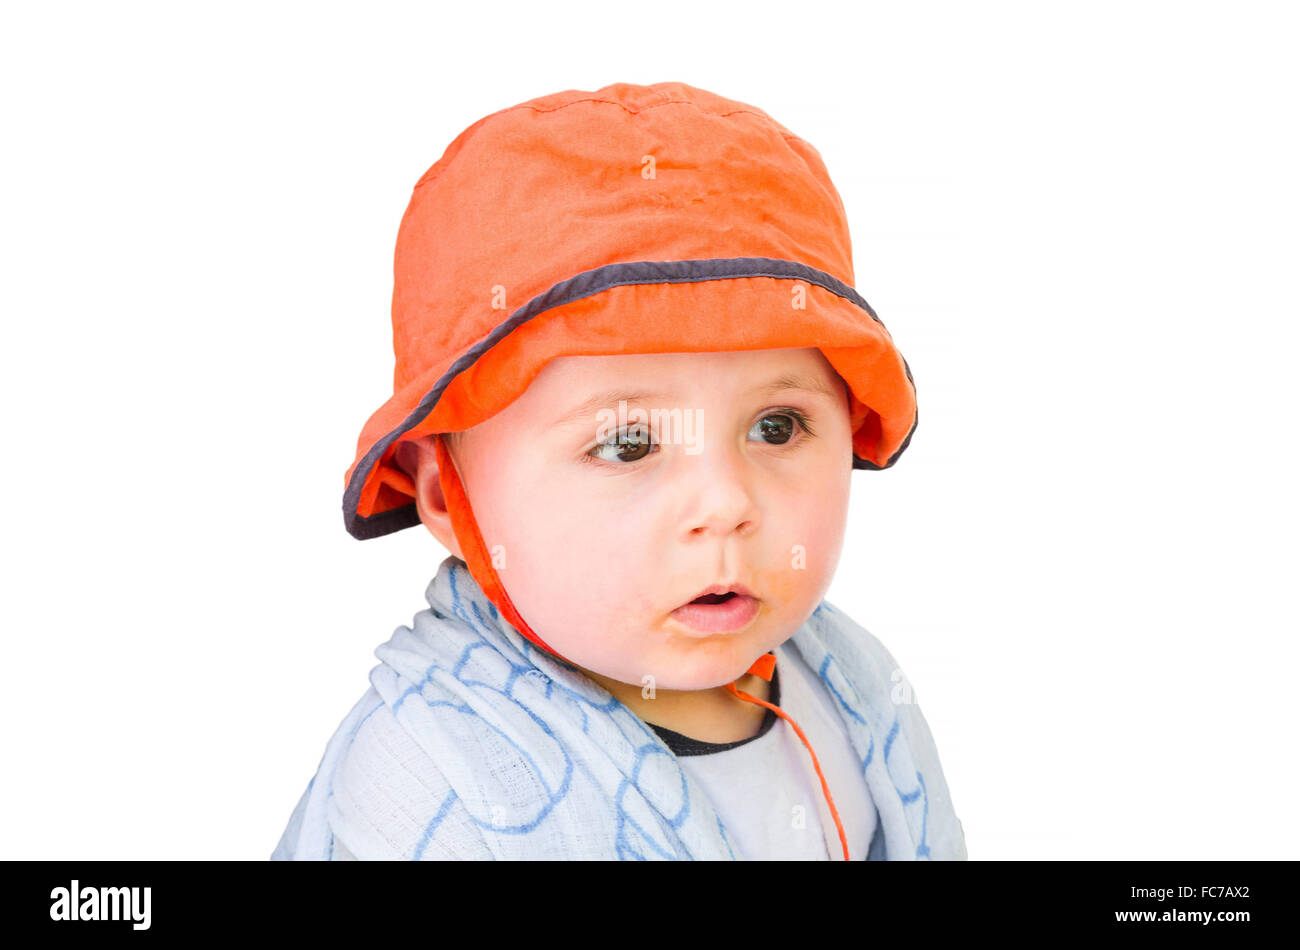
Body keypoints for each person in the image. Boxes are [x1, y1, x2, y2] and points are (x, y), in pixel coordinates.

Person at [272, 80, 967, 861]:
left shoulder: (859, 696)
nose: (725, 502)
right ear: (446, 493)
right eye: (628, 444)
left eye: (777, 426)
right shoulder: (435, 784)